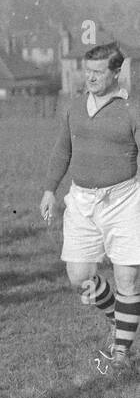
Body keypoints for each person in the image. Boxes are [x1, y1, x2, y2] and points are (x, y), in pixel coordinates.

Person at [40, 43, 140, 371]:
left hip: (124, 200)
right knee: (78, 277)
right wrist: (49, 191)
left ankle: (122, 354)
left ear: (116, 72)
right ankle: (119, 319)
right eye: (88, 71)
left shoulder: (132, 110)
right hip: (81, 200)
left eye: (98, 72)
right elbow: (61, 151)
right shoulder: (74, 107)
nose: (91, 77)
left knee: (127, 277)